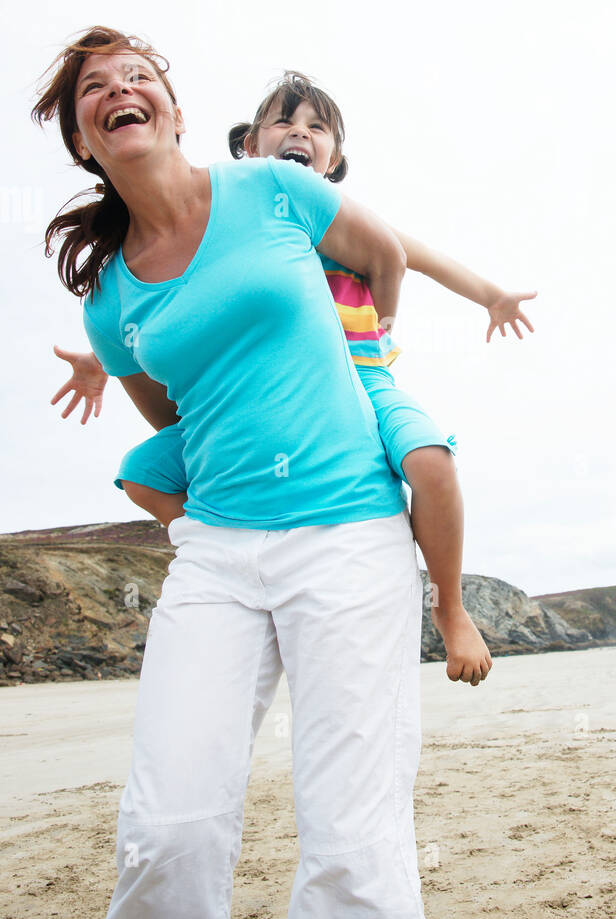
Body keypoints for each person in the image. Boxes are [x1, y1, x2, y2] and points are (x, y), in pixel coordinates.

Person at [36, 26, 443, 919]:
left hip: (348, 534)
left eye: (140, 76)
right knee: (167, 826)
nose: (121, 90)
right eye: (96, 88)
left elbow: (384, 256)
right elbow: (176, 418)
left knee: (352, 839)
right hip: (218, 553)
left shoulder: (273, 192)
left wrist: (367, 360)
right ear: (84, 139)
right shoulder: (111, 302)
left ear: (175, 114)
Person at [51, 70, 535, 684]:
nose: (298, 133)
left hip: (361, 381)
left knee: (432, 461)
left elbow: (412, 258)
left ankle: (451, 609)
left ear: (334, 160)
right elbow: (167, 313)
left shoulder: (339, 220)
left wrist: (476, 301)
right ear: (248, 147)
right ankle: (209, 539)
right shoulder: (240, 221)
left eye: (316, 127)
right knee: (141, 474)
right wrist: (99, 362)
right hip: (247, 411)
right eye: (283, 122)